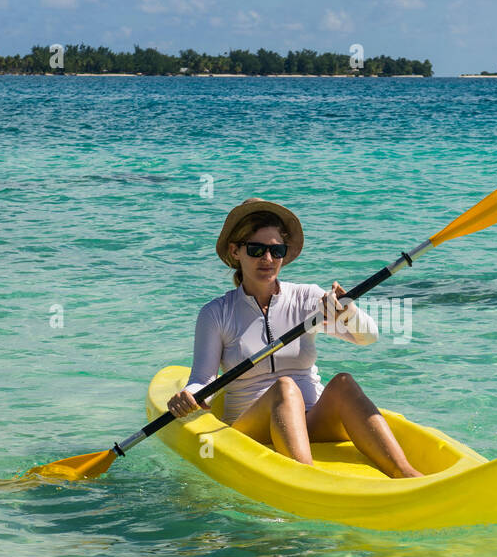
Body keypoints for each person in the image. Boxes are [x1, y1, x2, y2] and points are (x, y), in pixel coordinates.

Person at [167, 198, 423, 478]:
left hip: (313, 420)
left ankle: (407, 475)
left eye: (276, 251)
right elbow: (204, 381)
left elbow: (368, 338)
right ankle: (307, 479)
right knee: (285, 387)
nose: (268, 259)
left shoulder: (307, 297)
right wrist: (189, 397)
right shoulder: (216, 313)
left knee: (344, 382)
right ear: (235, 251)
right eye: (256, 250)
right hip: (251, 429)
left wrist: (346, 310)